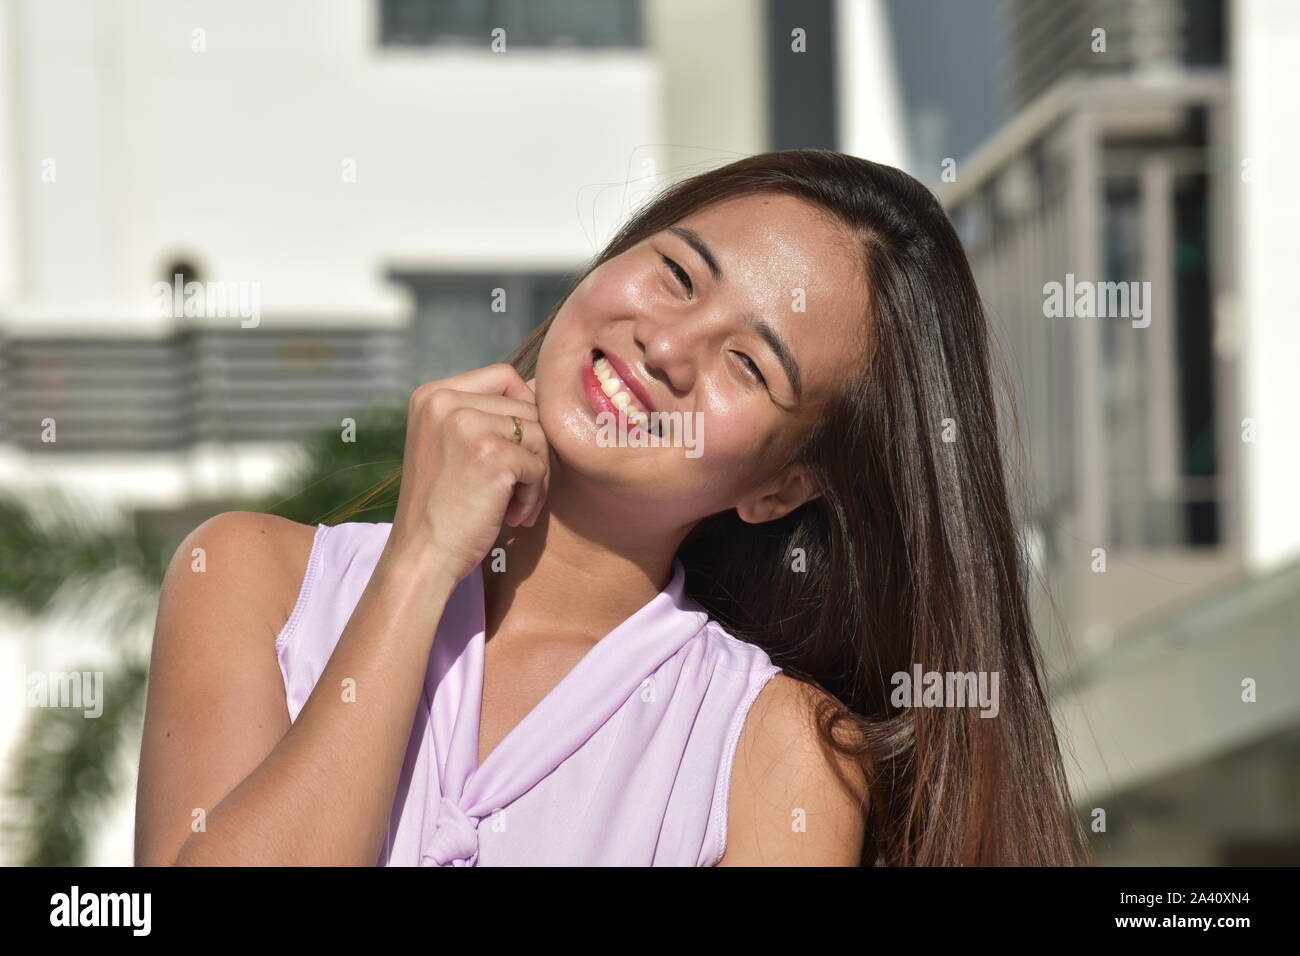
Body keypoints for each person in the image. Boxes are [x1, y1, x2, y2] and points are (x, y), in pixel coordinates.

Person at [134, 149, 1091, 866]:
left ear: (781, 488)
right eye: (677, 274)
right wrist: (421, 563)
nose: (669, 347)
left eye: (749, 364)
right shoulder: (252, 577)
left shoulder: (776, 754)